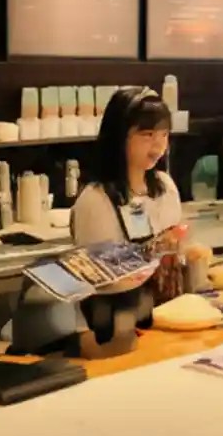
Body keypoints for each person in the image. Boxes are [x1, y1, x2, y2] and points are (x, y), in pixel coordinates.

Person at [67, 87, 182, 349]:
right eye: (147, 135)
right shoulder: (96, 199)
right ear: (119, 138)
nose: (158, 146)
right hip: (113, 333)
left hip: (164, 325)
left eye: (164, 135)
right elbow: (99, 276)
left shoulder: (165, 187)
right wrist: (153, 253)